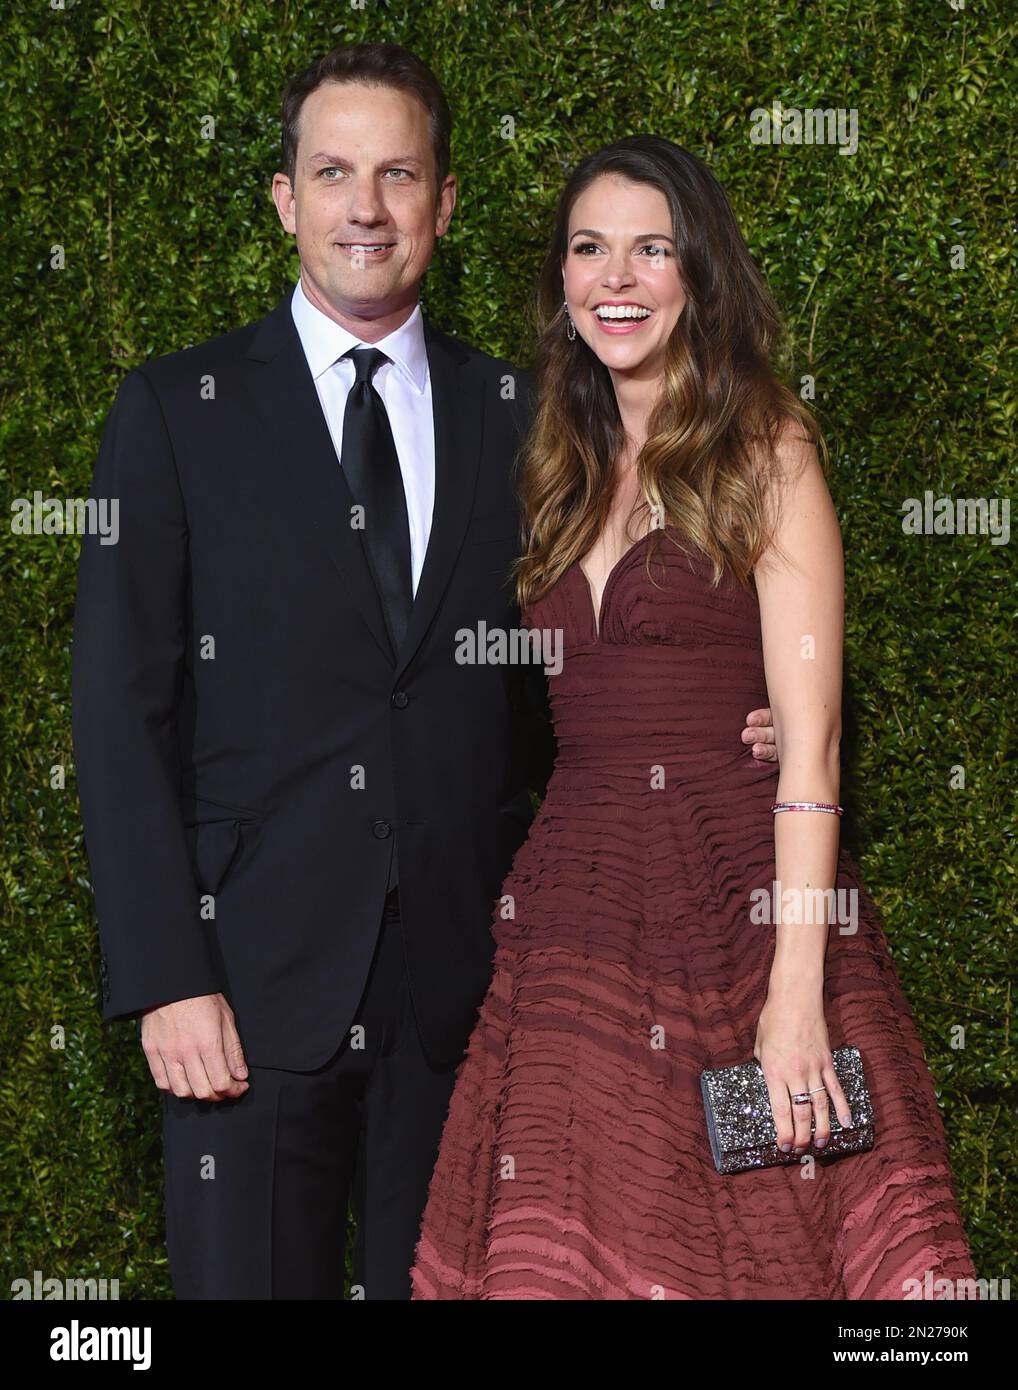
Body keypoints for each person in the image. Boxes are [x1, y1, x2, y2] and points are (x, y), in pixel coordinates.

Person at [70, 49, 777, 1299]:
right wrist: (167, 974)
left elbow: (580, 660)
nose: (366, 207)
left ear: (443, 201)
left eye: (398, 173)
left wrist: (734, 722)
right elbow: (120, 713)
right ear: (285, 199)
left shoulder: (532, 413)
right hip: (247, 992)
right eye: (333, 172)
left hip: (477, 991)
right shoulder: (178, 409)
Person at [410, 136, 978, 1300]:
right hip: (578, 908)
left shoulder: (766, 446)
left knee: (782, 1239)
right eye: (589, 249)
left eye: (650, 249)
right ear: (562, 285)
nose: (616, 277)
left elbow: (810, 748)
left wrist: (795, 994)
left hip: (744, 903)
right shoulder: (551, 464)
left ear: (696, 275)